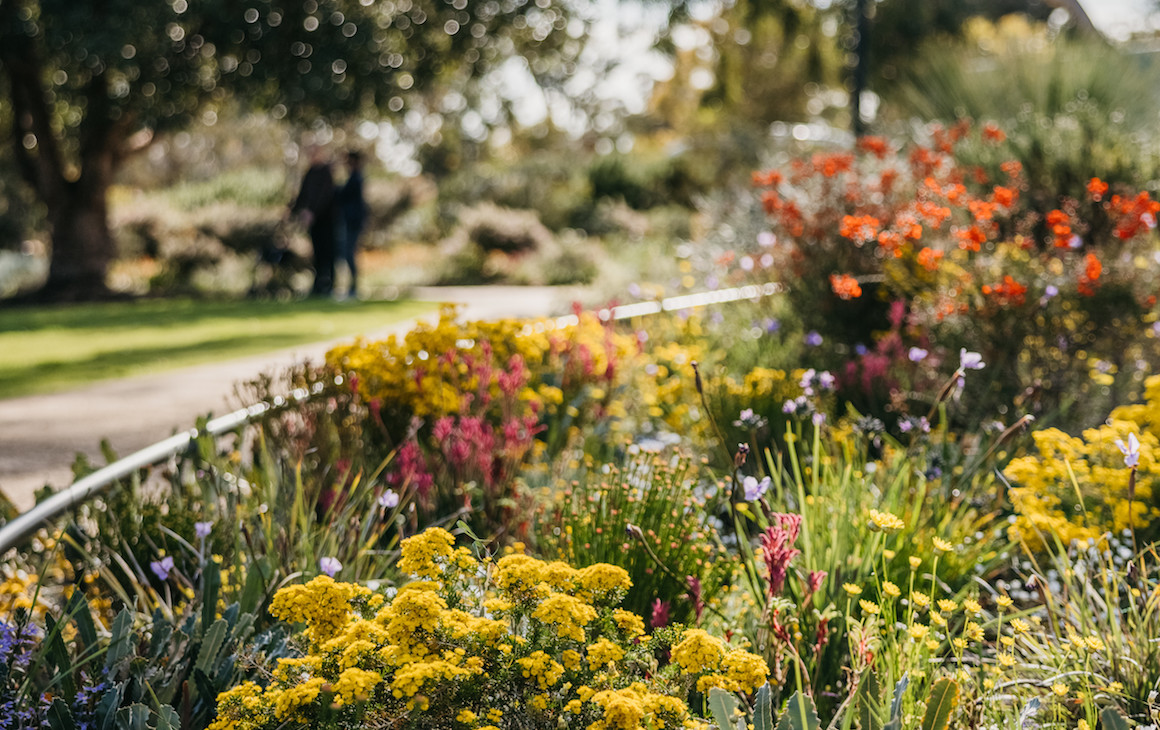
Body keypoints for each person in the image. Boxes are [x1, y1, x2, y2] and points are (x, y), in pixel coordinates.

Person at [290, 145, 337, 297]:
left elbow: (325, 196)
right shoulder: (310, 172)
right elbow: (303, 195)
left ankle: (329, 284)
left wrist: (312, 212)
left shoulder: (325, 172)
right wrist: (293, 211)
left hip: (325, 220)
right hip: (314, 222)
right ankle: (318, 285)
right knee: (317, 253)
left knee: (327, 252)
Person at [336, 150, 369, 300]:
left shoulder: (356, 178)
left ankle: (353, 288)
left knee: (349, 253)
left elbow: (343, 195)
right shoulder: (354, 177)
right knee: (347, 253)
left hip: (353, 221)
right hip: (350, 221)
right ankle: (351, 287)